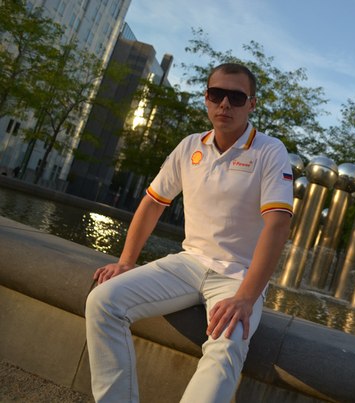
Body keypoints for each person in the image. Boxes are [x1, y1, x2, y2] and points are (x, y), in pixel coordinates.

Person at [85, 63, 293, 403]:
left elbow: (278, 224)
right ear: (206, 98)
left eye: (236, 97)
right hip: (188, 263)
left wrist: (245, 298)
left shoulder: (269, 151)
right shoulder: (189, 147)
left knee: (227, 345)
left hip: (238, 276)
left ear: (252, 104)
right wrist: (125, 261)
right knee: (103, 302)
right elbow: (153, 203)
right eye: (217, 94)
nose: (224, 104)